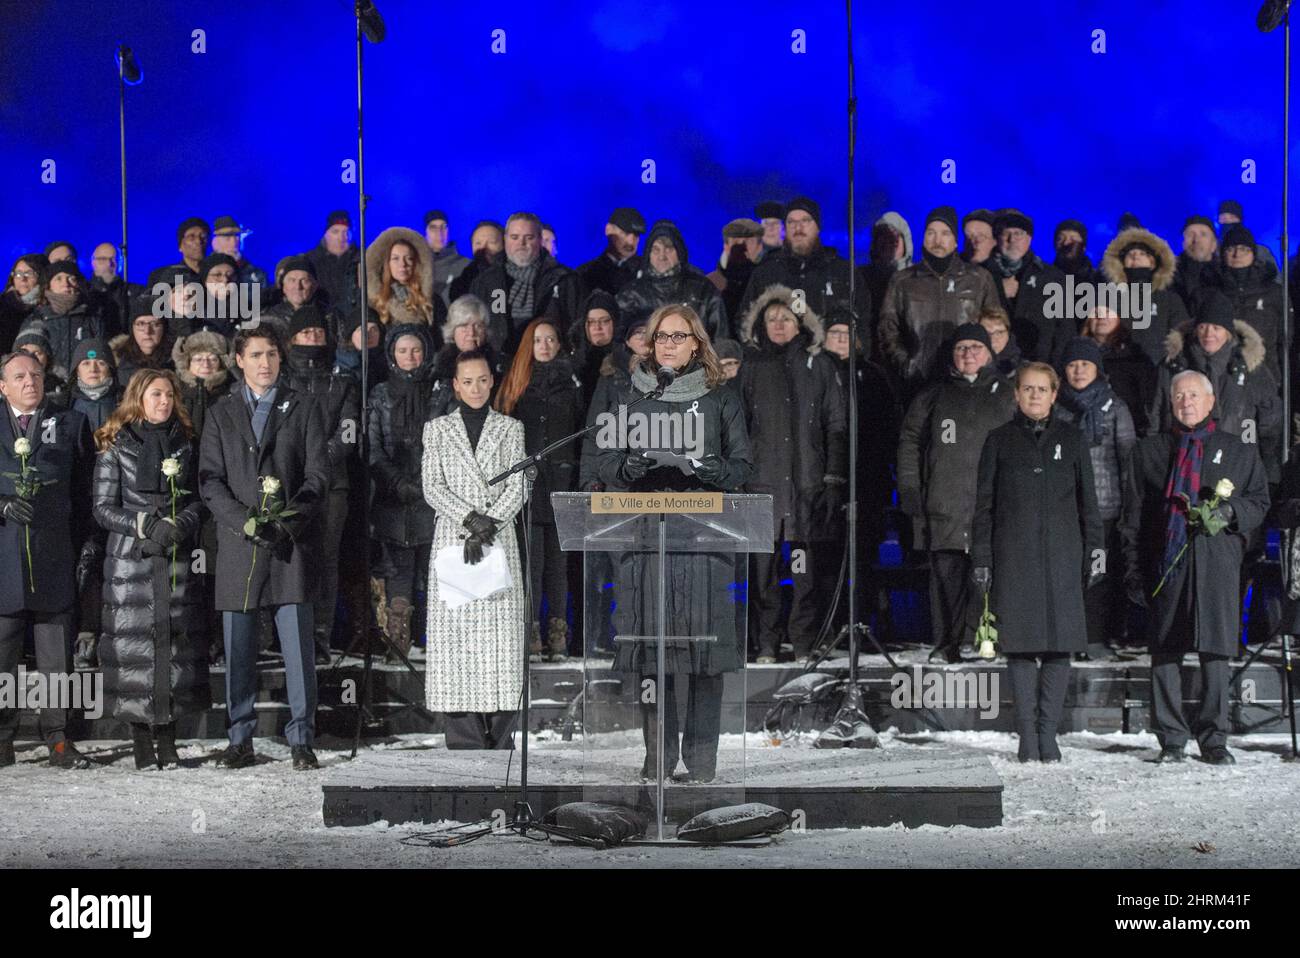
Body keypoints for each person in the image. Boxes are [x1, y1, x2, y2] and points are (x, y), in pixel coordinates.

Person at [593, 304, 753, 781]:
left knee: (705, 656)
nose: (668, 344)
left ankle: (702, 763)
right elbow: (605, 462)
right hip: (648, 539)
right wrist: (630, 468)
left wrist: (707, 468)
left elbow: (743, 467)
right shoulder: (632, 396)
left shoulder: (721, 398)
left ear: (697, 344)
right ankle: (658, 758)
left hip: (705, 542)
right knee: (653, 652)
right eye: (661, 336)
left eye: (679, 337)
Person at [198, 326, 330, 770]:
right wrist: (245, 521)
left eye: (272, 354)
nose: (265, 363)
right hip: (240, 545)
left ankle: (301, 739)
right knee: (238, 649)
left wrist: (286, 522)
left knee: (297, 648)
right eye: (256, 355)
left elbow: (317, 478)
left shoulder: (305, 406)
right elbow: (210, 481)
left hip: (290, 546)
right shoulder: (220, 413)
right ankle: (240, 739)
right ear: (239, 360)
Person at [1121, 370, 1269, 764]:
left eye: (1194, 395)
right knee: (1165, 650)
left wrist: (1228, 511)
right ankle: (1170, 738)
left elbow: (1259, 502)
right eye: (1179, 396)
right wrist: (1134, 568)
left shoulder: (1238, 450)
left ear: (1209, 402)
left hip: (1217, 565)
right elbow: (1133, 515)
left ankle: (1214, 738)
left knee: (1215, 652)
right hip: (1165, 563)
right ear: (1171, 403)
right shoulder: (1147, 451)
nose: (1186, 402)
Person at [972, 362, 1103, 762]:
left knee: (1060, 646)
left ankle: (1050, 734)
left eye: (1042, 389)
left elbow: (1089, 503)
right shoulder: (998, 440)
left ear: (1054, 393)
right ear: (1016, 394)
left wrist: (1096, 549)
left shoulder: (1073, 437)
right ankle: (1027, 737)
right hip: (1014, 556)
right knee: (1022, 647)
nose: (1034, 395)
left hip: (1064, 555)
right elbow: (984, 508)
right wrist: (982, 556)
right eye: (1027, 389)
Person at [92, 370, 209, 769]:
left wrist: (181, 524)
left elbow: (198, 499)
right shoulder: (114, 444)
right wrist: (142, 523)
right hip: (130, 560)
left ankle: (169, 737)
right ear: (137, 398)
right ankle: (141, 738)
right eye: (156, 394)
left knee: (172, 647)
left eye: (170, 395)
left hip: (174, 557)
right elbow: (103, 507)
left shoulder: (186, 443)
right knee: (133, 652)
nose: (164, 401)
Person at [421, 349, 527, 749]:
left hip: (497, 542)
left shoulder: (511, 429)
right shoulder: (438, 430)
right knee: (458, 642)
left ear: (492, 380)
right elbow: (433, 486)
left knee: (500, 644)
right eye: (467, 381)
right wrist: (470, 520)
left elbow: (518, 484)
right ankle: (464, 739)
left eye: (482, 379)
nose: (476, 388)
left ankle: (501, 740)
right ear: (455, 385)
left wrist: (490, 524)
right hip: (455, 541)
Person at [738, 286, 846, 663]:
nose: (779, 325)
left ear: (800, 323)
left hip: (806, 491)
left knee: (803, 572)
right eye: (771, 319)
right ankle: (766, 643)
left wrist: (832, 477)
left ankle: (803, 642)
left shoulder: (820, 365)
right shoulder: (752, 367)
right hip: (763, 489)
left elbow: (836, 425)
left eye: (786, 318)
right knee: (764, 574)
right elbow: (737, 425)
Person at [0, 351, 96, 769]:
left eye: (36, 374)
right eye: (19, 376)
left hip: (54, 557)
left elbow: (85, 490)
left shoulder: (71, 422)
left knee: (56, 659)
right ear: (3, 386)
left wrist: (86, 546)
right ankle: (2, 739)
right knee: (2, 660)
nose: (30, 381)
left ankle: (58, 739)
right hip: (3, 561)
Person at [897, 323, 1015, 662]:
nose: (968, 354)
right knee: (946, 580)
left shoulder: (1006, 393)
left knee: (993, 579)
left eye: (975, 348)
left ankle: (990, 642)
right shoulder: (933, 395)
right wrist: (910, 488)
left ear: (989, 353)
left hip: (993, 506)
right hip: (944, 502)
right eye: (961, 348)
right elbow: (909, 442)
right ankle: (946, 644)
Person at [495, 316, 583, 662]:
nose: (544, 346)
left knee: (558, 566)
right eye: (538, 340)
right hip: (526, 488)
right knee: (530, 563)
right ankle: (529, 630)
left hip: (561, 486)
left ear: (559, 344)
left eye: (550, 340)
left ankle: (557, 634)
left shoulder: (572, 384)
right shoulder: (515, 384)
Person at [281, 306, 360, 662]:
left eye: (318, 332)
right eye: (305, 333)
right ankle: (285, 638)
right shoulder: (280, 382)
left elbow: (348, 433)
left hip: (333, 486)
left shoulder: (343, 383)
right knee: (289, 559)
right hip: (288, 485)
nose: (313, 338)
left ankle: (321, 637)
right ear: (292, 339)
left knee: (326, 561)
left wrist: (315, 462)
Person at [1054, 337, 1137, 660]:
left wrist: (1128, 505)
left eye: (1085, 365)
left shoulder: (1114, 406)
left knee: (1100, 575)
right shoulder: (1055, 406)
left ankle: (1096, 637)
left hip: (1105, 508)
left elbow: (1128, 459)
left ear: (1097, 370)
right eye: (1072, 365)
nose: (1078, 371)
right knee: (1067, 575)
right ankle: (1068, 636)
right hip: (1065, 508)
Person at [1152, 291, 1281, 485]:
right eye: (1203, 326)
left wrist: (1265, 463)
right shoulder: (1174, 365)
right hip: (1183, 460)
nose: (1208, 333)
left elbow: (1270, 419)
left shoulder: (1250, 367)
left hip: (1237, 463)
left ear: (1228, 332)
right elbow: (1157, 413)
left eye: (1216, 327)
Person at [369, 323, 440, 661]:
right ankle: (398, 638)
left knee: (433, 571)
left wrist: (429, 484)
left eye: (416, 350)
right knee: (398, 567)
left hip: (433, 495)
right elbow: (373, 448)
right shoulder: (381, 394)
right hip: (392, 496)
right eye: (402, 350)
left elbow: (447, 442)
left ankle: (434, 639)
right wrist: (397, 482)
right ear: (392, 355)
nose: (410, 357)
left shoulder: (440, 391)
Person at [878, 206, 999, 397]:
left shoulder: (978, 279)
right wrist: (906, 364)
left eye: (945, 233)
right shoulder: (903, 281)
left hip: (967, 380)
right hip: (918, 382)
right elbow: (888, 328)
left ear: (956, 240)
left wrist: (982, 368)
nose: (937, 241)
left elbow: (995, 326)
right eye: (931, 233)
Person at [738, 197, 872, 336]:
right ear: (785, 229)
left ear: (818, 227)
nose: (798, 228)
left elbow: (862, 320)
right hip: (778, 356)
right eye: (791, 222)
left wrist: (857, 349)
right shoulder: (766, 272)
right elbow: (745, 320)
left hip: (829, 355)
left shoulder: (842, 271)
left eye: (805, 221)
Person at [470, 212, 585, 357]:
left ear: (540, 240)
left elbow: (577, 328)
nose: (521, 243)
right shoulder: (486, 281)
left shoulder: (564, 279)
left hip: (550, 366)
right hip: (499, 367)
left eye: (529, 237)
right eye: (514, 237)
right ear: (505, 239)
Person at [617, 220, 729, 341]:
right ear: (648, 254)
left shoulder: (703, 289)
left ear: (679, 252)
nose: (662, 256)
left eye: (668, 249)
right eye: (656, 249)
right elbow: (619, 341)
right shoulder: (632, 293)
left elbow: (721, 338)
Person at [981, 210, 1067, 362]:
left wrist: (1056, 368)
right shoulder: (981, 275)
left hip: (1038, 364)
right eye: (1006, 233)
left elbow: (1064, 329)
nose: (1012, 239)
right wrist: (999, 290)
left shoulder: (1052, 277)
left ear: (1029, 238)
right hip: (991, 364)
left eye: (1018, 233)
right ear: (997, 239)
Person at [1098, 225, 1188, 366]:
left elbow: (1181, 335)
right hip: (1117, 368)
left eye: (1143, 254)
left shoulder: (1169, 299)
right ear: (1121, 263)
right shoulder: (1109, 297)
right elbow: (1097, 333)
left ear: (1153, 262)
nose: (1135, 257)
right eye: (1130, 254)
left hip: (1157, 370)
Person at [1220, 223, 1289, 383]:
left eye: (1244, 249)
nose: (1237, 254)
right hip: (1224, 376)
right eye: (1231, 249)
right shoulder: (1211, 291)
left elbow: (1285, 341)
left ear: (1253, 253)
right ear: (1223, 253)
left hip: (1267, 375)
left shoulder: (1274, 292)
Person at [21, 260, 108, 381]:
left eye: (71, 278)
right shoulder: (36, 319)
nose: (66, 284)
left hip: (84, 388)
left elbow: (101, 355)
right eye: (58, 278)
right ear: (48, 284)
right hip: (47, 388)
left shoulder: (92, 319)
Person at [1081, 306, 1156, 437]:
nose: (1101, 317)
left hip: (1129, 434)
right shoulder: (1075, 357)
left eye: (1108, 312)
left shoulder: (1137, 359)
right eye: (1096, 312)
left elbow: (1150, 407)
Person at [430, 295, 503, 417]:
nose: (471, 332)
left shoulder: (499, 367)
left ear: (485, 331)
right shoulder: (436, 368)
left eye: (478, 325)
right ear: (453, 331)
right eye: (464, 326)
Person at [365, 226, 445, 333]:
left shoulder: (431, 301)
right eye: (395, 258)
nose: (403, 264)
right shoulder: (374, 301)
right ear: (387, 264)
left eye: (409, 258)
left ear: (416, 263)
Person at [706, 218, 764, 323]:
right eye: (735, 242)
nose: (742, 247)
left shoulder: (768, 280)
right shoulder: (711, 283)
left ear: (759, 247)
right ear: (726, 247)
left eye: (748, 242)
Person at [577, 207, 645, 296]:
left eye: (636, 236)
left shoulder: (646, 271)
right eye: (625, 233)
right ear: (608, 229)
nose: (631, 242)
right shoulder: (586, 274)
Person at [304, 211, 361, 315]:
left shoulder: (362, 259)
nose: (341, 237)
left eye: (346, 232)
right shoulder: (309, 261)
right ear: (326, 234)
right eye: (335, 231)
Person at [570, 289, 619, 409]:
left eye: (604, 321)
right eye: (591, 322)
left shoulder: (626, 360)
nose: (597, 327)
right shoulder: (570, 362)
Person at [110, 298, 174, 388]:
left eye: (154, 324)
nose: (147, 331)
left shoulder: (176, 361)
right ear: (132, 328)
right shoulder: (116, 362)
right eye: (140, 324)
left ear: (164, 328)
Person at [1171, 215, 1223, 313]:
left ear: (1214, 244)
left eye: (1203, 234)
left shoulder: (1226, 275)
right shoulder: (1168, 274)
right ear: (1183, 243)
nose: (1196, 240)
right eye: (1190, 235)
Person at [447, 220, 504, 303]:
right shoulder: (461, 283)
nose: (484, 247)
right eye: (478, 243)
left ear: (504, 245)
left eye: (492, 242)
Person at [423, 210, 470, 304]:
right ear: (425, 232)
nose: (439, 233)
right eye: (433, 228)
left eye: (444, 227)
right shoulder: (415, 265)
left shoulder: (465, 265)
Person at [147, 217, 208, 289]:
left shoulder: (217, 275)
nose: (198, 241)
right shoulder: (162, 276)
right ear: (180, 245)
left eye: (203, 236)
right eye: (191, 237)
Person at [2, 255, 47, 352]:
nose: (22, 278)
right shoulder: (3, 304)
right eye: (18, 273)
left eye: (29, 273)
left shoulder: (48, 309)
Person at [1052, 219, 1104, 285]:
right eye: (1060, 239)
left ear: (1084, 246)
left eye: (1073, 239)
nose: (1066, 243)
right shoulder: (1044, 279)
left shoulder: (1099, 280)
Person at [979, 306, 1021, 378]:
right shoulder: (967, 362)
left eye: (999, 333)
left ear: (1008, 334)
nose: (992, 339)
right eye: (986, 333)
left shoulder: (1022, 370)